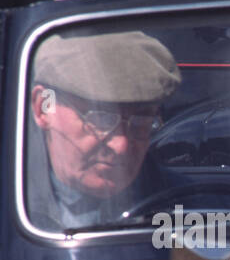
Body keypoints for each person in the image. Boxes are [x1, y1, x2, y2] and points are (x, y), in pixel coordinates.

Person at [26, 31, 180, 230]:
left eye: (141, 120)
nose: (121, 145)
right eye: (100, 117)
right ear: (43, 108)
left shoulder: (191, 208)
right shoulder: (10, 210)